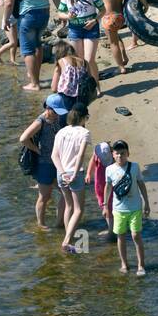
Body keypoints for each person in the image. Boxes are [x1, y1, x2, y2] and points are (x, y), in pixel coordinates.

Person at [2, 0, 59, 91]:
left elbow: (9, 2)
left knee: (27, 50)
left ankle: (34, 83)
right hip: (44, 13)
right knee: (38, 44)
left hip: (28, 16)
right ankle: (36, 76)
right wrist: (61, 11)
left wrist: (6, 19)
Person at [19, 96, 67, 228]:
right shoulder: (40, 121)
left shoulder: (56, 119)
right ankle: (41, 224)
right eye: (56, 111)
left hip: (56, 163)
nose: (58, 114)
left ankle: (59, 223)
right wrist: (36, 150)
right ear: (48, 109)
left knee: (65, 192)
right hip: (44, 164)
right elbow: (23, 138)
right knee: (44, 197)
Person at [104, 140, 150, 275]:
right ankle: (124, 264)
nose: (120, 156)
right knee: (121, 236)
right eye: (117, 153)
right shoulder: (109, 169)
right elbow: (107, 188)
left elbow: (141, 184)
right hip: (118, 210)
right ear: (112, 154)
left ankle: (141, 265)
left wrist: (146, 202)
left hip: (135, 207)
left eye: (123, 153)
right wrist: (105, 205)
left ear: (128, 153)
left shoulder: (134, 167)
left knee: (136, 235)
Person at [51, 106, 91, 252]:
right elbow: (80, 156)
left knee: (69, 206)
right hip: (75, 173)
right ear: (83, 118)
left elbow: (54, 156)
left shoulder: (61, 132)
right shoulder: (84, 133)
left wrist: (62, 173)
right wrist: (73, 174)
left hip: (60, 173)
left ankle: (69, 237)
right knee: (79, 209)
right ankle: (67, 241)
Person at [59, 0, 101, 95]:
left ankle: (97, 87)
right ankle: (82, 89)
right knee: (79, 60)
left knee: (89, 59)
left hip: (91, 29)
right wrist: (67, 16)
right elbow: (60, 13)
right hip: (74, 30)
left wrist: (95, 20)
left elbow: (103, 10)